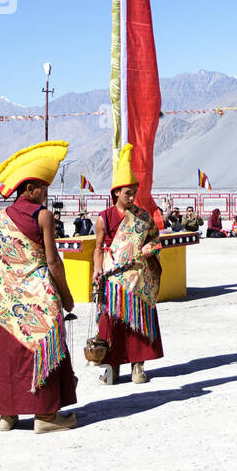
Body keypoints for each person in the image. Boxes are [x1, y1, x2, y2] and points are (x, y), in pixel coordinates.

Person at [0, 140, 77, 432]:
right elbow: (53, 261)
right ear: (29, 189)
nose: (46, 193)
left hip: (9, 302)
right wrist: (67, 296)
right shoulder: (42, 216)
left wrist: (4, 293)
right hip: (39, 297)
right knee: (43, 349)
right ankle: (45, 416)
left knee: (11, 352)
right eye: (43, 188)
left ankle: (7, 415)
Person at [91, 144, 163, 386]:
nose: (131, 198)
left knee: (138, 322)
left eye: (134, 193)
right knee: (111, 324)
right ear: (116, 193)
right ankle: (111, 369)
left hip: (137, 278)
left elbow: (156, 242)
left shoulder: (143, 217)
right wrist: (96, 270)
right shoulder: (104, 218)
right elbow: (98, 247)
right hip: (112, 280)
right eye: (127, 193)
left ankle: (138, 366)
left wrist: (147, 249)